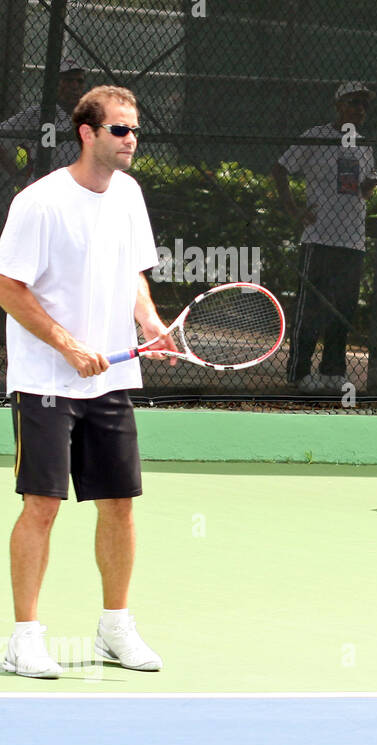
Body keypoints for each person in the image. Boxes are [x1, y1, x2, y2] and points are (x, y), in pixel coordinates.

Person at [0, 85, 172, 678]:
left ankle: (115, 630)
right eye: (120, 131)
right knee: (42, 505)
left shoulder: (128, 196)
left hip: (112, 381)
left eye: (135, 131)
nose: (131, 141)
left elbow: (131, 273)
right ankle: (24, 637)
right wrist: (68, 345)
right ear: (88, 133)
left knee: (119, 506)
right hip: (46, 381)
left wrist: (148, 319)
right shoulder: (40, 203)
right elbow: (7, 287)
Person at [272, 81, 377, 394]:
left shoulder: (365, 144)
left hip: (353, 241)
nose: (359, 109)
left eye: (363, 104)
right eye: (352, 103)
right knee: (311, 308)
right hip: (318, 237)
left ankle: (333, 371)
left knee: (343, 309)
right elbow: (280, 169)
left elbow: (368, 184)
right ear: (338, 106)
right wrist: (293, 210)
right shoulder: (315, 136)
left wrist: (369, 187)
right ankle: (299, 372)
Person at [0, 58, 87, 187]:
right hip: (43, 186)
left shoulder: (90, 116)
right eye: (68, 80)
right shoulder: (36, 114)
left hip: (79, 188)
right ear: (55, 83)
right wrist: (17, 176)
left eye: (79, 81)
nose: (75, 86)